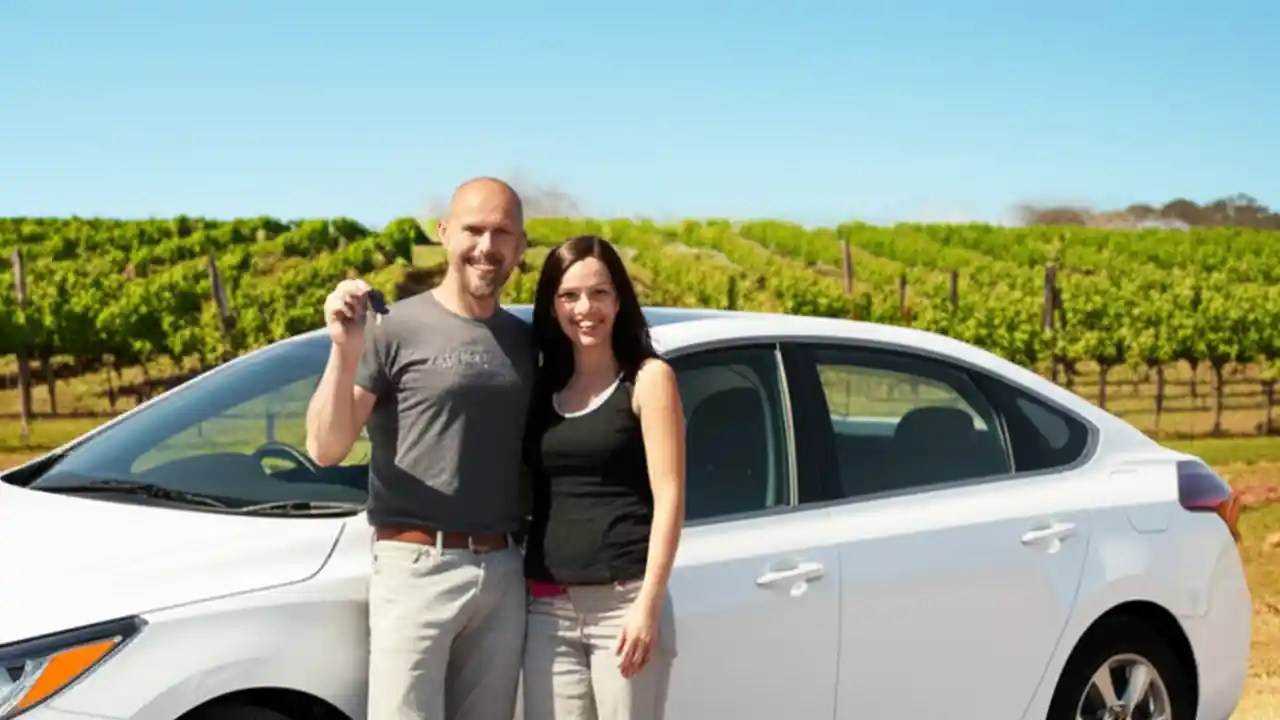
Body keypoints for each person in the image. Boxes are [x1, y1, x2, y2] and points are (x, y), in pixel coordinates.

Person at [304, 177, 535, 720]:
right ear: (444, 233)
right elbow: (326, 446)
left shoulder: (527, 342)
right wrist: (344, 349)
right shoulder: (392, 328)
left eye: (502, 233)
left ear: (520, 247)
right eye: (473, 230)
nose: (486, 246)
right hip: (415, 567)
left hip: (504, 570)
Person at [520, 234, 686, 720]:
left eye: (599, 293)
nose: (585, 308)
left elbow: (671, 495)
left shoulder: (649, 379)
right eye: (569, 296)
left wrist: (648, 606)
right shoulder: (543, 386)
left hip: (624, 604)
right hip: (548, 608)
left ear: (619, 300)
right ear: (552, 306)